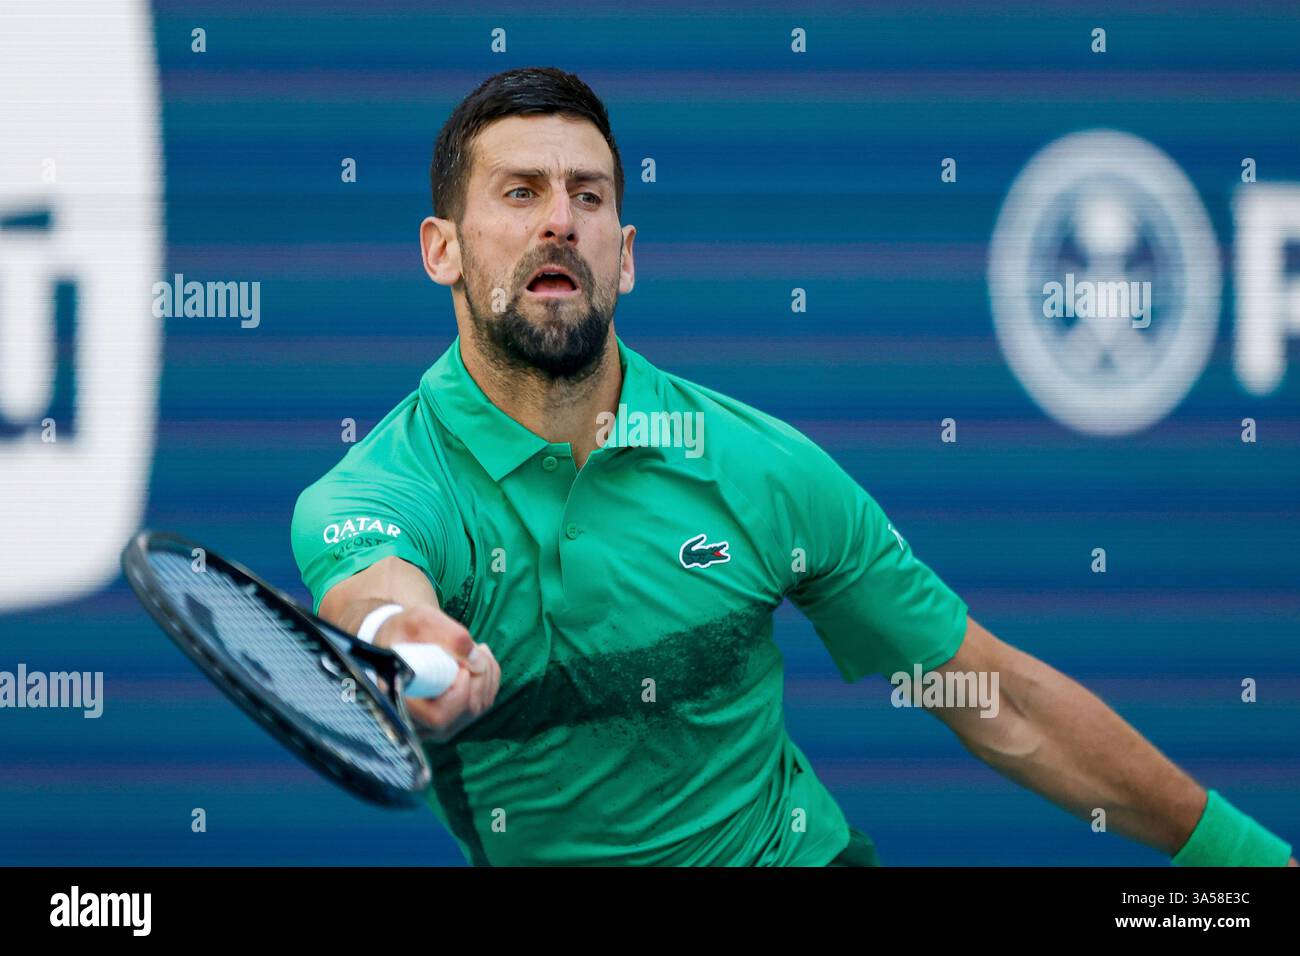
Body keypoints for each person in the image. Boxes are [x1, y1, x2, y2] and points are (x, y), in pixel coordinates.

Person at [291, 66, 1295, 868]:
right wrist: (402, 644)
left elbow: (989, 695)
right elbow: (375, 594)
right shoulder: (381, 487)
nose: (559, 220)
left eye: (586, 196)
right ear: (442, 249)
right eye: (520, 192)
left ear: (625, 253)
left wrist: (1244, 860)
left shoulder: (761, 468)